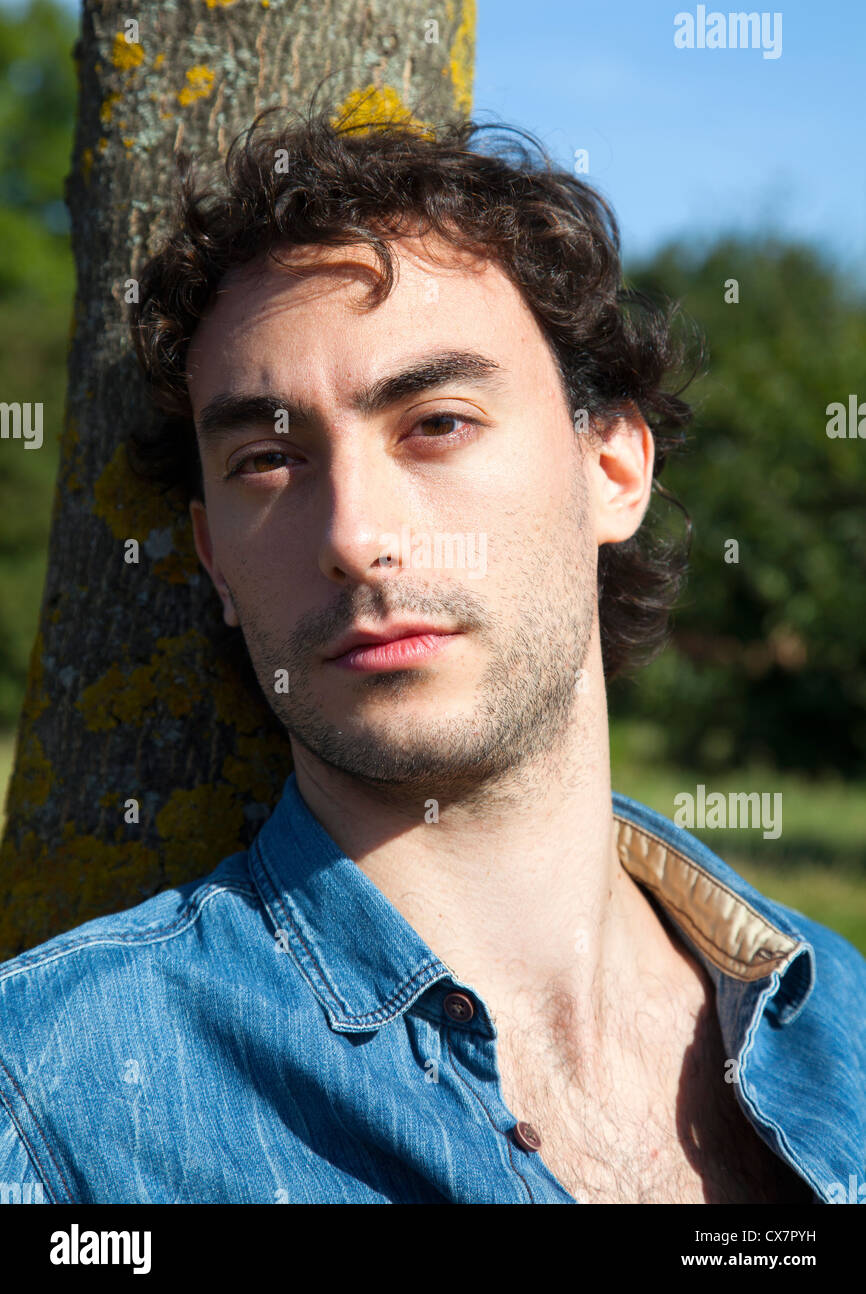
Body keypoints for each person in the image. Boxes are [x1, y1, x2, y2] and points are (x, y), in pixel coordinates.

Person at [1, 108, 863, 1206]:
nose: (354, 535)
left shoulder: (840, 1020)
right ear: (213, 557)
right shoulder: (54, 1106)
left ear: (611, 467)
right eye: (269, 457)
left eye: (436, 422)